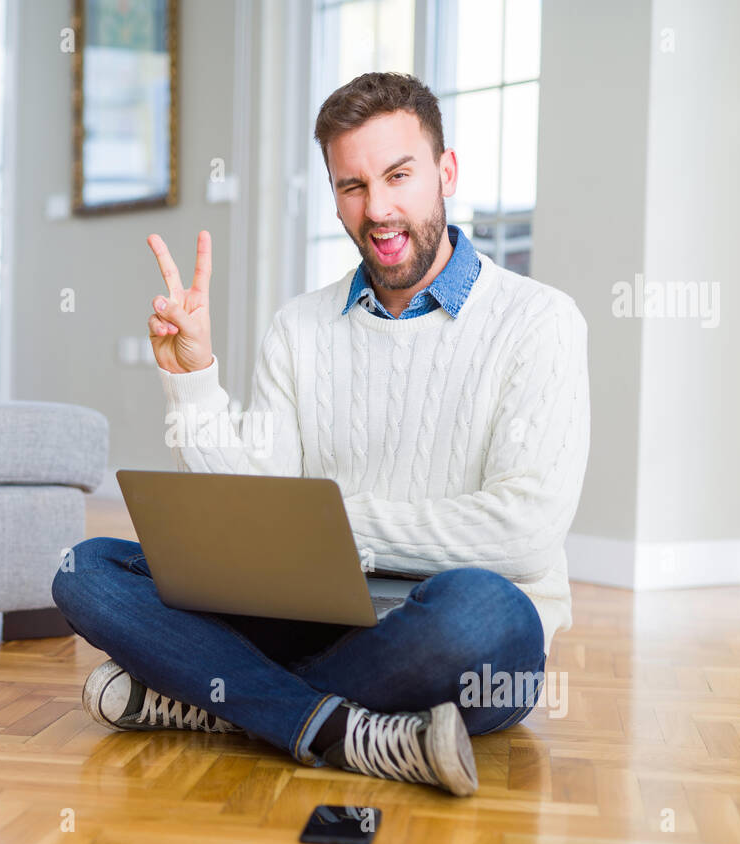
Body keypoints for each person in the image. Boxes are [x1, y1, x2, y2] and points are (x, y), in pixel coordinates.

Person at [52, 72, 590, 797]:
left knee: (487, 616)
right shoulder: (300, 326)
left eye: (398, 176)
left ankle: (218, 698)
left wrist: (333, 524)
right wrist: (194, 378)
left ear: (447, 173)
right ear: (335, 196)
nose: (379, 209)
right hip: (309, 612)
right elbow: (248, 510)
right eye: (352, 186)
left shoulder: (540, 321)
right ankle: (335, 726)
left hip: (444, 634)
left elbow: (525, 533)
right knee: (86, 568)